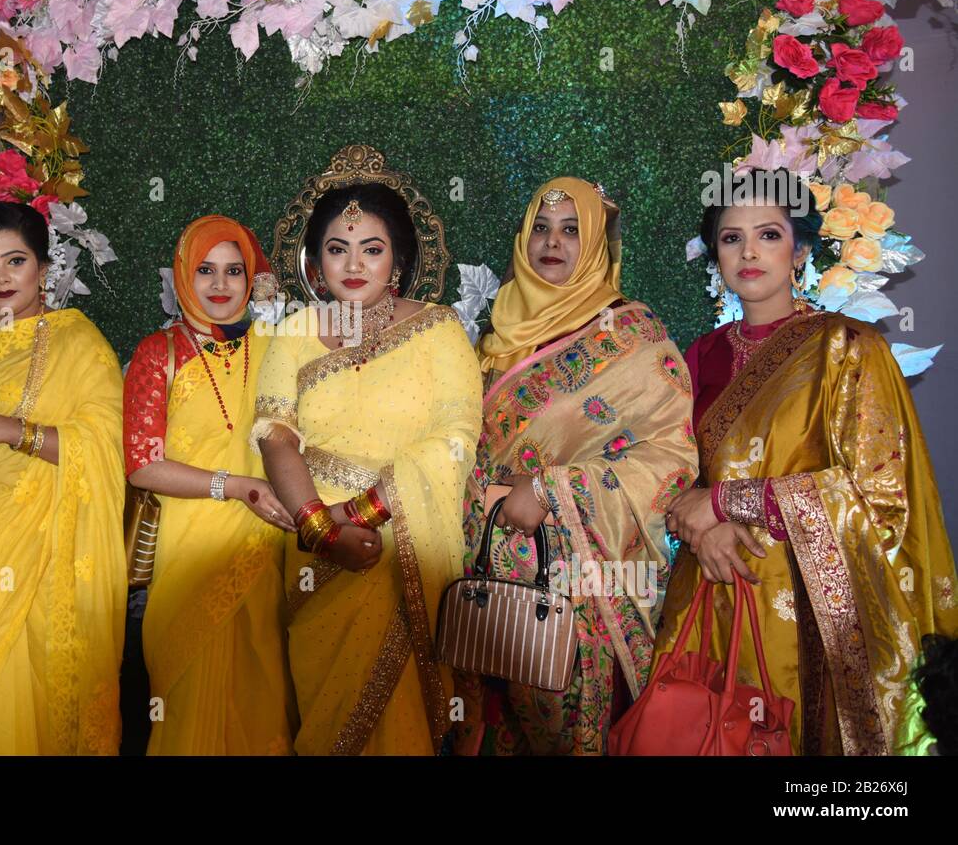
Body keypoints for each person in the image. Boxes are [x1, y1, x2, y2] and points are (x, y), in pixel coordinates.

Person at [657, 168, 958, 754]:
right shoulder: (699, 356)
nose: (748, 252)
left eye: (768, 235)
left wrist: (725, 502)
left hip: (809, 609)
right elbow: (667, 469)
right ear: (716, 256)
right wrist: (701, 528)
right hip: (712, 589)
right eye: (731, 238)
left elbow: (881, 495)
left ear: (800, 251)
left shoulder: (848, 347)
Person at [455, 177, 697, 755]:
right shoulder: (493, 337)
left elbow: (670, 454)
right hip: (480, 572)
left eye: (571, 230)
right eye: (540, 228)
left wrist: (550, 490)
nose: (552, 242)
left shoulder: (632, 335)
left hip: (572, 585)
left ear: (594, 245)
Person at [254, 182, 481, 755]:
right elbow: (275, 436)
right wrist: (320, 529)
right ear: (315, 262)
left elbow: (456, 439)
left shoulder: (438, 328)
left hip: (404, 541)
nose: (354, 265)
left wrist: (361, 513)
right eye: (337, 249)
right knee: (328, 718)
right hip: (315, 544)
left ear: (398, 259)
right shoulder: (295, 332)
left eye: (372, 249)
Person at [0, 200, 126, 755]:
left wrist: (11, 430)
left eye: (15, 261)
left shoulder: (79, 342)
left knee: (37, 688)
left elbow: (107, 447)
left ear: (43, 268)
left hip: (47, 548)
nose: (1, 277)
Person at [125, 215, 296, 755]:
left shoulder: (276, 349)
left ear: (251, 279)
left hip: (267, 544)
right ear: (182, 274)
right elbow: (142, 465)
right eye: (205, 270)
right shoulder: (159, 353)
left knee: (261, 693)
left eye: (233, 271)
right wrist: (237, 487)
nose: (220, 285)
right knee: (189, 695)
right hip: (188, 552)